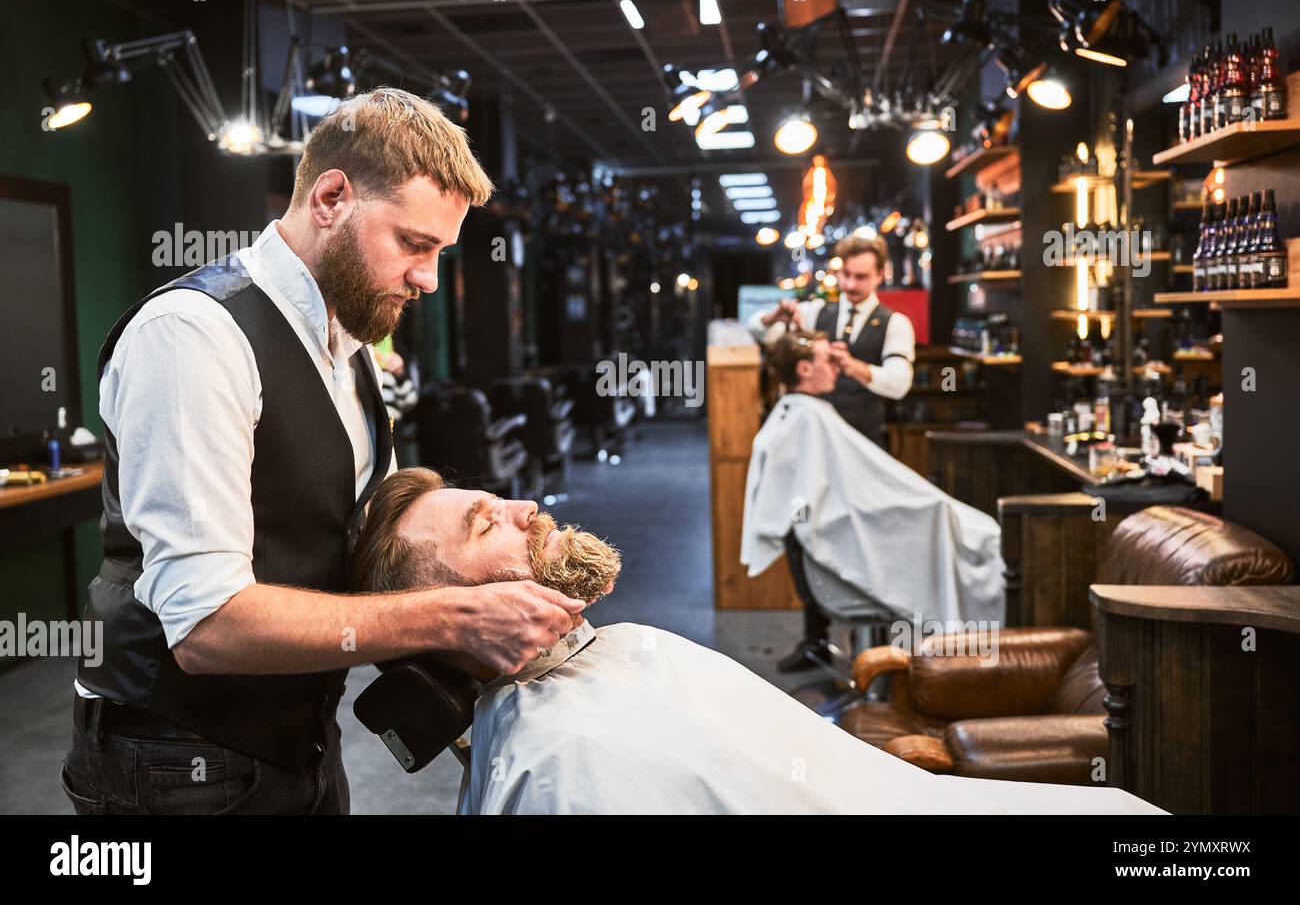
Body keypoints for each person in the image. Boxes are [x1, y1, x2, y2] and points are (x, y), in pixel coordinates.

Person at [63, 88, 591, 816]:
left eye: (440, 250)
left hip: (301, 731)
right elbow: (207, 625)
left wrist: (509, 544)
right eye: (414, 243)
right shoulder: (193, 337)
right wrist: (459, 618)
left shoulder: (351, 349)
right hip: (175, 754)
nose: (428, 277)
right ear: (331, 197)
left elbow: (348, 530)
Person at [351, 467, 1162, 815]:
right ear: (444, 610)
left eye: (500, 497)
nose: (526, 506)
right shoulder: (560, 760)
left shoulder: (621, 646)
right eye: (486, 522)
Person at [741, 332, 1004, 671]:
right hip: (855, 527)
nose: (836, 367)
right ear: (804, 369)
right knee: (975, 532)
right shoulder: (807, 418)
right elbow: (824, 506)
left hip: (855, 498)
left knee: (959, 522)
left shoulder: (794, 414)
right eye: (828, 360)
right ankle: (970, 648)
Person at [747, 234, 915, 445]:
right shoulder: (815, 312)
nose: (850, 284)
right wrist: (772, 318)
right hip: (814, 437)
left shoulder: (895, 324)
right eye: (846, 274)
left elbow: (899, 384)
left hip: (863, 439)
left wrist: (853, 366)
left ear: (880, 275)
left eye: (861, 276)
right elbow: (760, 331)